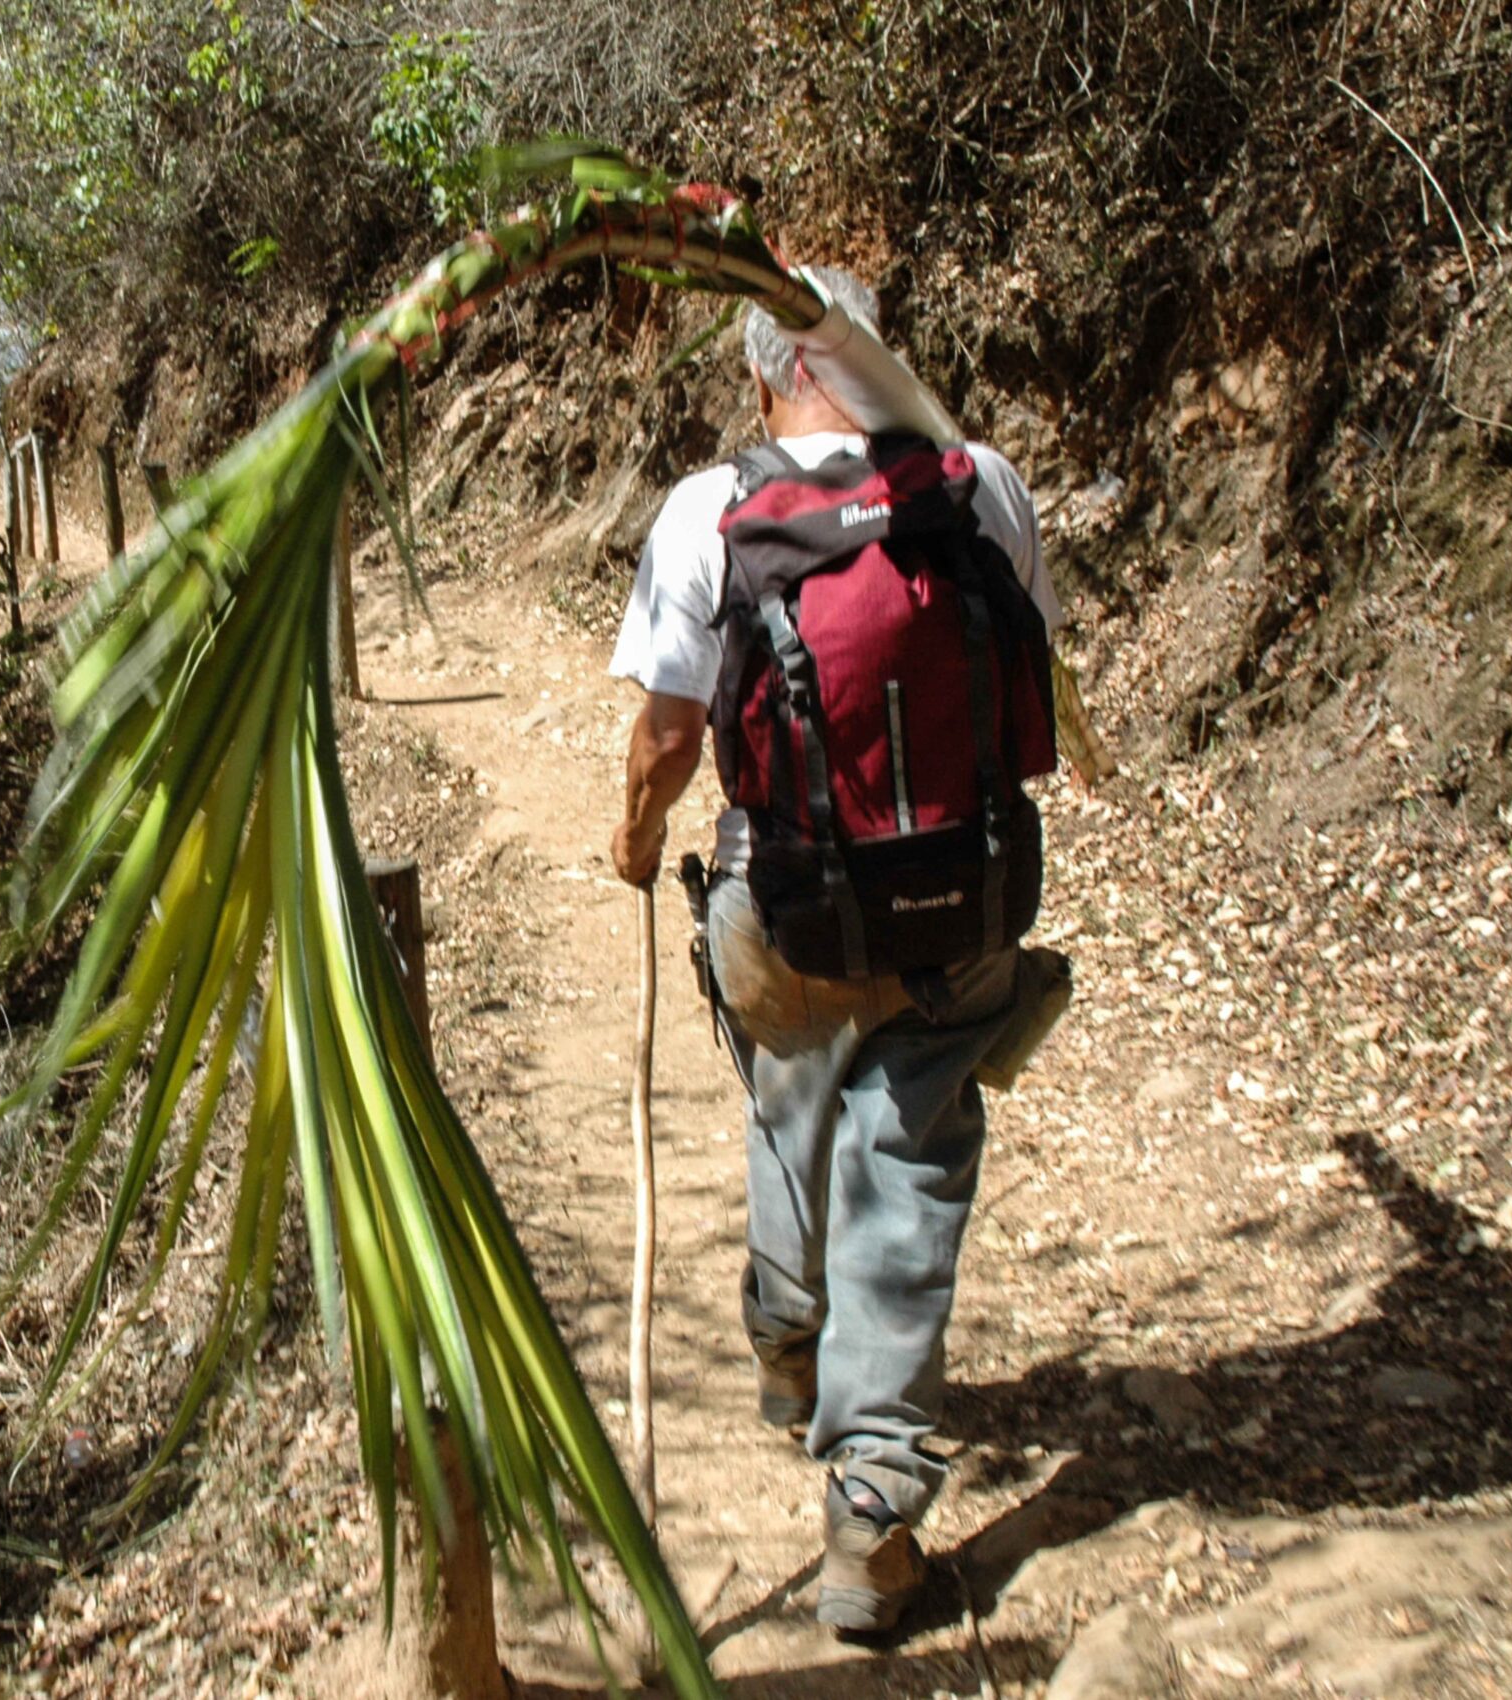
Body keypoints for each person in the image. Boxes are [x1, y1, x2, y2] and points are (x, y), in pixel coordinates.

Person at [605, 268, 1062, 1635]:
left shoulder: (709, 510)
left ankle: (789, 1341)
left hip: (789, 909)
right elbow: (1026, 678)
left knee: (789, 1089)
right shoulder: (981, 485)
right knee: (909, 1157)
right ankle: (873, 1511)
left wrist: (636, 840)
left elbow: (668, 736)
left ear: (766, 377)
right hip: (961, 911)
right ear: (867, 354)